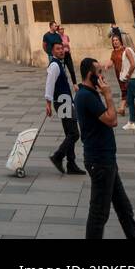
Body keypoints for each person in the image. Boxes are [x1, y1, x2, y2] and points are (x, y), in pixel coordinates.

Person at [75, 57, 135, 240]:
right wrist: (108, 96)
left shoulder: (87, 92)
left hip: (106, 160)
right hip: (100, 162)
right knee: (99, 214)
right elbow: (112, 120)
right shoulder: (87, 96)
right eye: (99, 72)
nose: (102, 76)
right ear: (90, 75)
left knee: (124, 209)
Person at [45, 40, 83, 175]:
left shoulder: (59, 64)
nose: (61, 51)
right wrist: (48, 103)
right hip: (62, 101)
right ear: (52, 51)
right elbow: (49, 84)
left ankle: (71, 164)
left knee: (69, 133)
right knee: (74, 133)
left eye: (62, 48)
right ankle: (58, 156)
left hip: (65, 100)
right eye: (58, 49)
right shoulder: (54, 65)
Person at [108, 33, 129, 115]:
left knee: (125, 90)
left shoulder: (125, 50)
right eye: (113, 41)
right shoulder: (113, 52)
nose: (115, 42)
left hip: (126, 74)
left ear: (120, 41)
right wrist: (106, 66)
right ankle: (134, 107)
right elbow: (111, 61)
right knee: (125, 90)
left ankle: (122, 108)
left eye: (116, 40)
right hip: (118, 74)